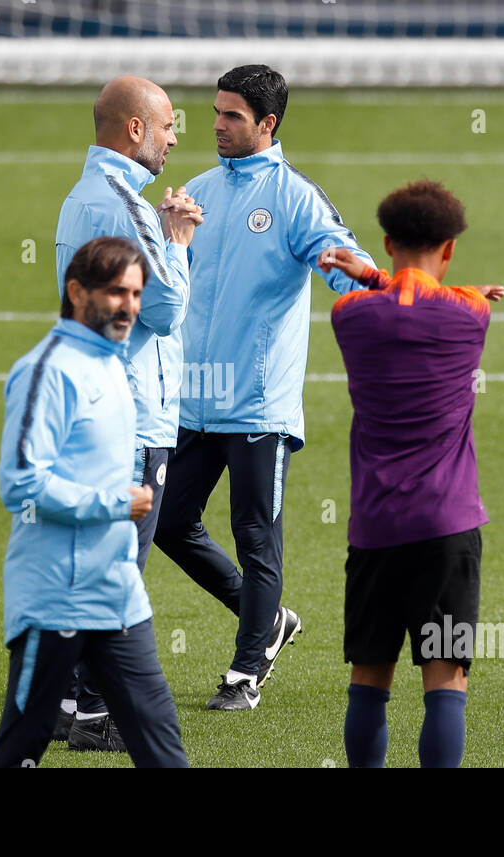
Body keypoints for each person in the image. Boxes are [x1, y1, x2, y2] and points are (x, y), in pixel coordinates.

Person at [153, 64, 374, 711]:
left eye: (232, 117)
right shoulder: (195, 192)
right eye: (216, 113)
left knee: (256, 534)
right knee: (166, 520)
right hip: (194, 399)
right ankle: (268, 617)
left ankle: (245, 671)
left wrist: (382, 287)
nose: (217, 126)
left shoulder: (295, 198)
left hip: (257, 403)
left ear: (267, 124)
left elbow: (348, 269)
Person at [0, 237, 188, 769]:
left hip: (118, 596)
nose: (130, 306)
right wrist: (110, 505)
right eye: (117, 292)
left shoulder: (112, 367)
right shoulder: (46, 370)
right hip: (55, 598)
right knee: (21, 749)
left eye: (137, 294)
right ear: (77, 292)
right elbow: (21, 482)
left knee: (164, 750)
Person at [322, 180, 504, 768]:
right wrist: (436, 285)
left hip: (375, 527)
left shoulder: (348, 314)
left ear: (385, 241)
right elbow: (445, 297)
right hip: (448, 528)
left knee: (370, 678)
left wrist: (372, 278)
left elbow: (400, 297)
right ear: (448, 248)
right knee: (445, 678)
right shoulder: (470, 312)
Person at [50, 75, 202, 750]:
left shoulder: (81, 197)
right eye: (169, 125)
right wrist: (177, 241)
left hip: (96, 406)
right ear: (134, 128)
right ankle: (89, 708)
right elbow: (165, 308)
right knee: (118, 569)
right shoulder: (130, 207)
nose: (175, 138)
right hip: (133, 414)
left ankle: (60, 697)